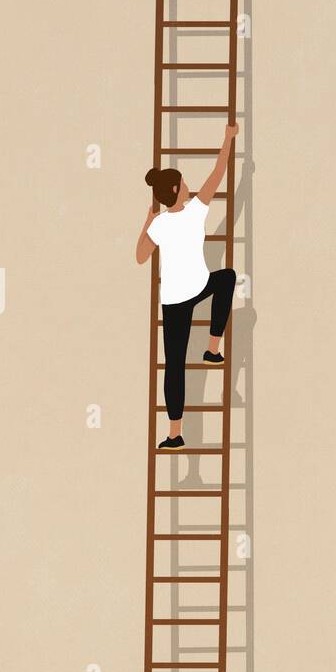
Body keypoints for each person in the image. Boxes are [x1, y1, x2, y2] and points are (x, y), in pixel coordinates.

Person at [135, 123, 239, 449]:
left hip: (175, 299)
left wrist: (148, 220)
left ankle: (174, 433)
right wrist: (228, 139)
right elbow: (218, 172)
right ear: (179, 190)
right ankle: (212, 349)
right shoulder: (195, 211)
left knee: (174, 365)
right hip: (199, 286)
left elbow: (140, 256)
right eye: (184, 183)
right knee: (228, 279)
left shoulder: (161, 223)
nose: (189, 185)